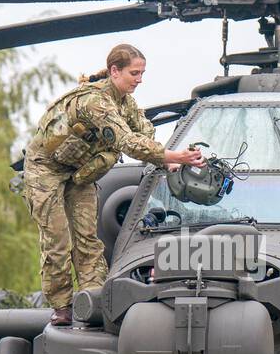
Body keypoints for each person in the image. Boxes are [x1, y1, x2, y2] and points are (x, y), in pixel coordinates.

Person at [22, 43, 204, 325]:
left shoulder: (125, 103)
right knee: (58, 241)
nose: (139, 79)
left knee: (88, 240)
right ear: (114, 71)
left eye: (142, 73)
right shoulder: (94, 102)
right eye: (134, 73)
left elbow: (143, 133)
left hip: (79, 174)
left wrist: (167, 160)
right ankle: (61, 306)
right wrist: (170, 155)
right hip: (45, 171)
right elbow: (127, 142)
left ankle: (93, 300)